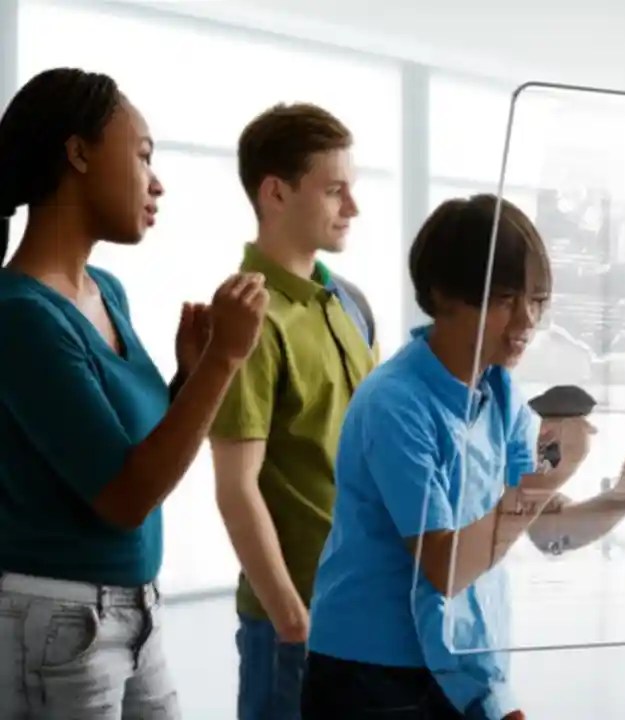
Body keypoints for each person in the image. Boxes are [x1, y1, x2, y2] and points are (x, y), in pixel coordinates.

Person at [300, 194, 625, 719]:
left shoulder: (501, 393)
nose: (526, 320)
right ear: (443, 295)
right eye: (505, 298)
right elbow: (447, 566)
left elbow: (540, 528)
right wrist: (548, 475)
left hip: (458, 663)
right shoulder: (396, 402)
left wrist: (619, 500)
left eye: (537, 300)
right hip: (372, 672)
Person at [0, 67, 267, 718]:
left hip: (132, 611)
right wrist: (223, 364)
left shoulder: (105, 293)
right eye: (143, 153)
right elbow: (125, 496)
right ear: (78, 152)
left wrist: (187, 377)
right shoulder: (21, 315)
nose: (157, 181)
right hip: (59, 622)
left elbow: (137, 451)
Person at [208, 102, 377, 720]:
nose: (351, 208)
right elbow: (235, 486)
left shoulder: (349, 305)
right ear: (275, 191)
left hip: (363, 613)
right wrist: (289, 617)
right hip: (294, 627)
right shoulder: (247, 314)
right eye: (335, 191)